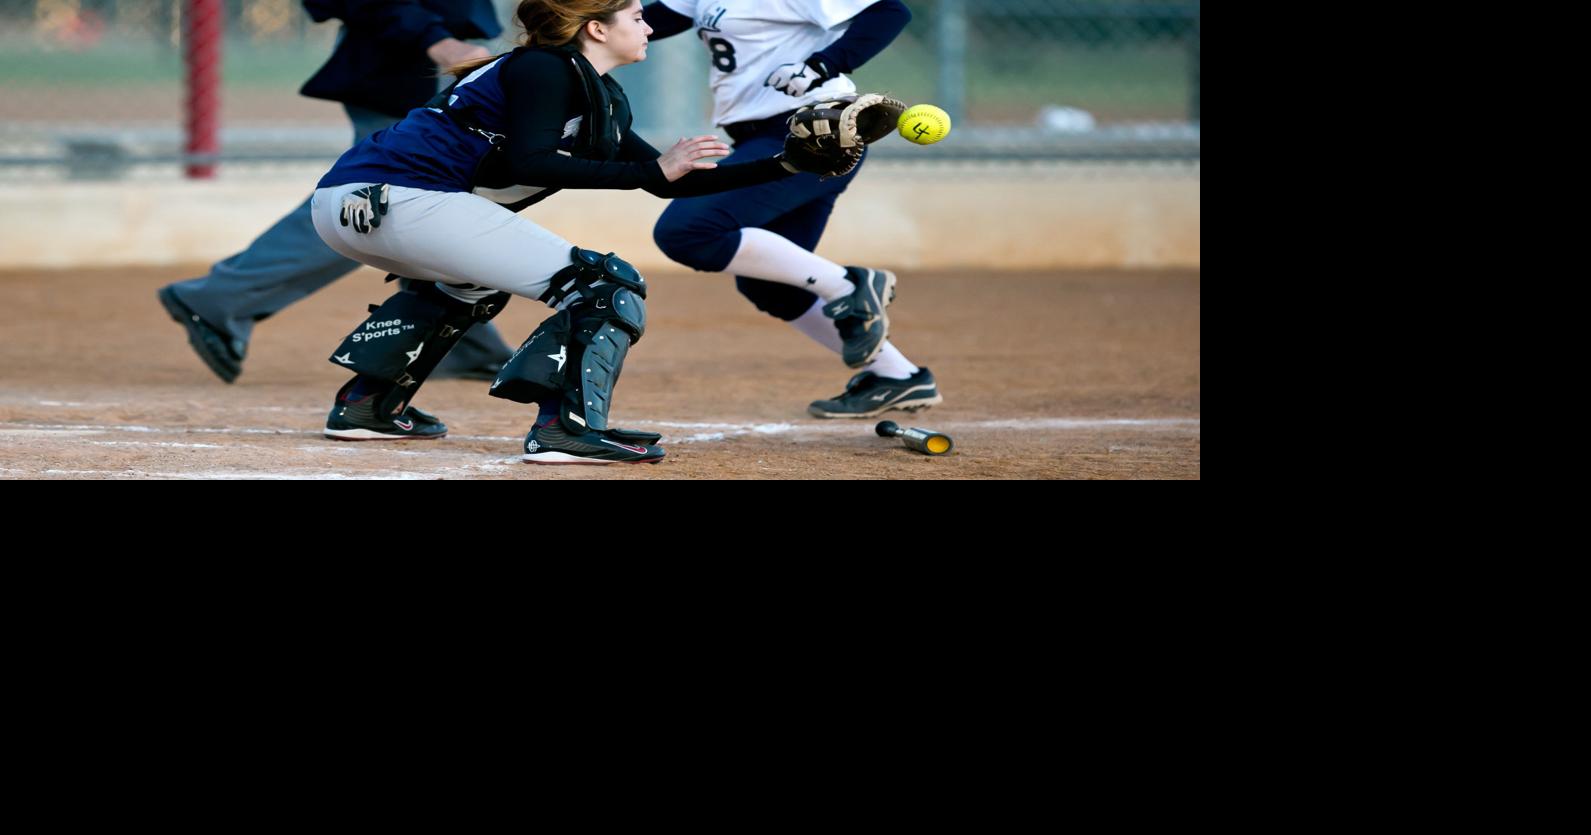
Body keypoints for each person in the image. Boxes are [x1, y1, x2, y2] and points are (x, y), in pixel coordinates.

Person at [309, 0, 860, 464]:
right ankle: (564, 428)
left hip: (352, 204)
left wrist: (789, 164)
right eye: (638, 15)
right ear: (597, 28)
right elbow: (532, 161)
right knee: (606, 285)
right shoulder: (544, 68)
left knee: (469, 285)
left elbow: (670, 186)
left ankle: (368, 406)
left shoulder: (597, 91)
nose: (649, 27)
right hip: (405, 197)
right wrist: (651, 172)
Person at [157, 0, 516, 384]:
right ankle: (219, 298)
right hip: (412, 57)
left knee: (431, 202)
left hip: (447, 53)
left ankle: (454, 338)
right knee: (371, 208)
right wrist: (436, 39)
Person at [644, 0, 943, 418]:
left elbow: (891, 11)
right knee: (769, 284)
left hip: (813, 132)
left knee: (687, 231)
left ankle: (849, 286)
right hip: (760, 138)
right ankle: (897, 377)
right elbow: (648, 22)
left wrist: (822, 64)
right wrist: (571, 29)